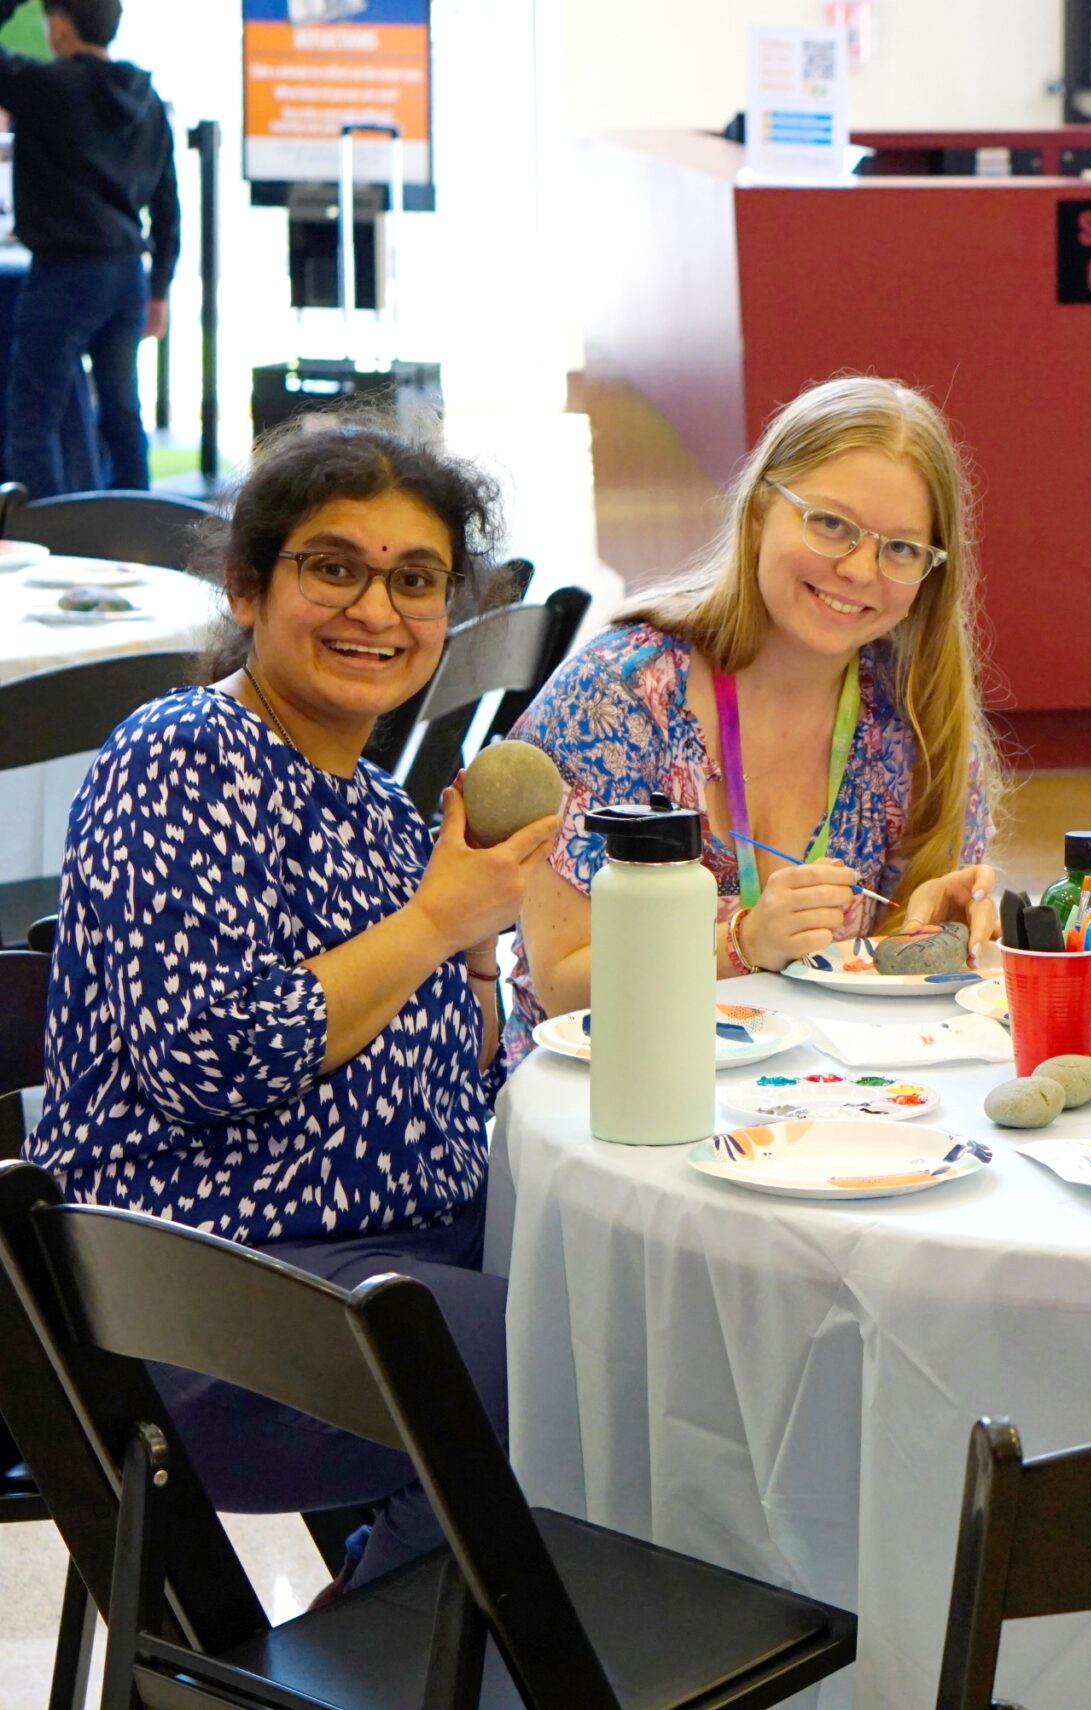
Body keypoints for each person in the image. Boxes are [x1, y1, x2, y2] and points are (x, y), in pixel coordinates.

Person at [30, 423, 555, 1586]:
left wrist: (468, 955)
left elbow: (430, 1070)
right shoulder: (179, 757)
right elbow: (212, 1058)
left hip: (366, 1277)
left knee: (646, 1311)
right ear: (247, 584)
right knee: (585, 1376)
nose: (377, 609)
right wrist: (430, 924)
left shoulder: (373, 801)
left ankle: (439, 1630)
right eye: (334, 567)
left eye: (415, 580)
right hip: (195, 1307)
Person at [509, 375, 1000, 1061]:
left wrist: (939, 940)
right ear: (761, 509)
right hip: (607, 1095)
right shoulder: (617, 698)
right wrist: (741, 942)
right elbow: (563, 988)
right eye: (831, 524)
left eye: (901, 549)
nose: (860, 569)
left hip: (817, 1094)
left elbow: (891, 996)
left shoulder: (913, 725)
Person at [0, 0, 178, 496]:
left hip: (64, 274)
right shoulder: (147, 98)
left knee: (35, 418)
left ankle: (51, 542)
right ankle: (135, 533)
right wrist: (159, 288)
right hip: (127, 275)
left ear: (58, 27)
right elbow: (167, 204)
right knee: (122, 413)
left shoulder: (47, 87)